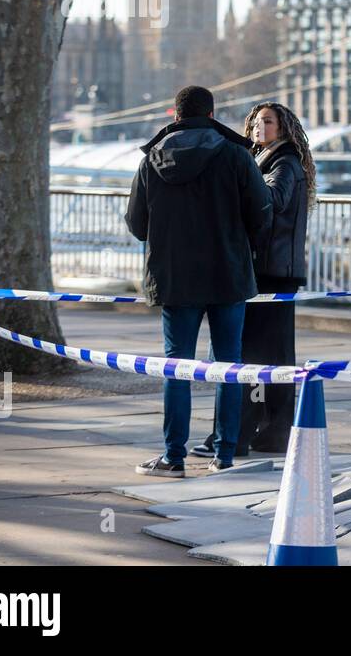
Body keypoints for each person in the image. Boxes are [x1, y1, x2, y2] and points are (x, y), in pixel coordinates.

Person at [126, 86, 271, 477]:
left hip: (175, 278)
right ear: (211, 114)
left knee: (177, 366)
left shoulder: (151, 159)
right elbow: (261, 212)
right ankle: (223, 456)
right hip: (227, 273)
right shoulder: (236, 155)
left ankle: (173, 457)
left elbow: (137, 225)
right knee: (229, 364)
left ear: (175, 114)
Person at [193, 102, 314, 458]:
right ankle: (272, 434)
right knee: (273, 357)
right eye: (256, 122)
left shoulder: (283, 163)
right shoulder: (273, 160)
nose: (259, 127)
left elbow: (272, 200)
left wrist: (241, 181)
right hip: (276, 272)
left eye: (268, 121)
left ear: (284, 128)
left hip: (269, 273)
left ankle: (236, 436)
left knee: (251, 356)